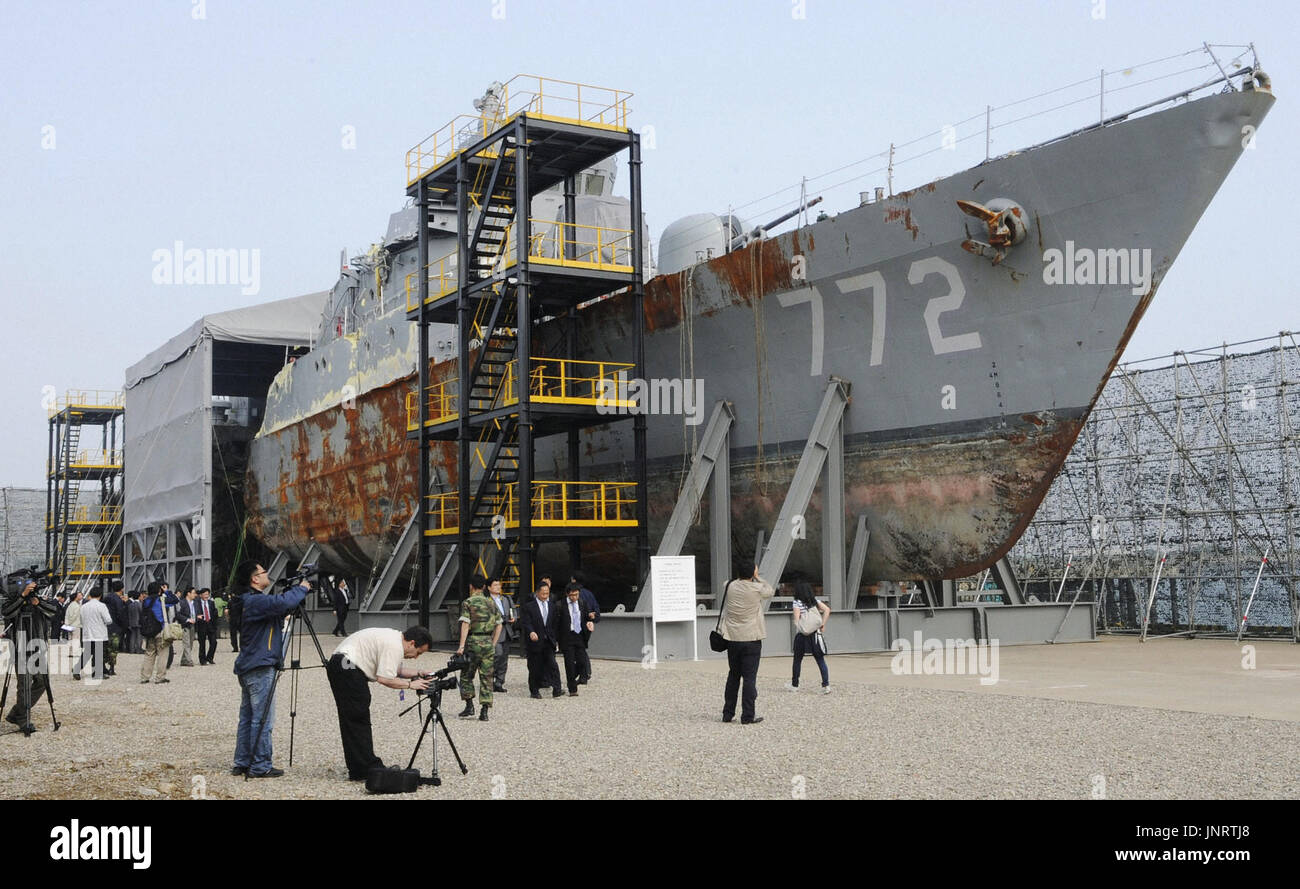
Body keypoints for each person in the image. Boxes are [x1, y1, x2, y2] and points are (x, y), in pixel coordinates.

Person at [231, 561, 310, 779]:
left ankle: (242, 761)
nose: (268, 575)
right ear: (254, 579)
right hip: (260, 665)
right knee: (262, 718)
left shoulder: (249, 601)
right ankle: (260, 765)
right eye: (264, 572)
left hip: (249, 665)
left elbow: (278, 607)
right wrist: (302, 588)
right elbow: (283, 602)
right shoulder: (256, 601)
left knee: (247, 717)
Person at [326, 625, 433, 780]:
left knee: (353, 717)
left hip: (343, 664)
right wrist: (410, 685)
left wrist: (419, 673)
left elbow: (396, 671)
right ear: (411, 643)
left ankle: (359, 767)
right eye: (418, 652)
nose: (415, 657)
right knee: (357, 717)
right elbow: (385, 678)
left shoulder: (394, 638)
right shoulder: (394, 646)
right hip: (347, 667)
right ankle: (364, 768)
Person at [719, 564, 775, 725]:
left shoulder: (729, 585)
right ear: (753, 573)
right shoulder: (757, 588)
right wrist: (757, 576)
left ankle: (727, 713)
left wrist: (745, 574)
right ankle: (747, 716)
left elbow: (728, 582)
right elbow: (769, 590)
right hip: (751, 638)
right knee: (749, 678)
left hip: (733, 638)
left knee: (733, 676)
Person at [3, 580, 57, 732]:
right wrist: (22, 596)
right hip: (20, 650)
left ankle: (16, 712)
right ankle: (23, 720)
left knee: (42, 682)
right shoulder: (12, 602)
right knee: (25, 685)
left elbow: (52, 611)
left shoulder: (37, 600)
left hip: (38, 647)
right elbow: (7, 613)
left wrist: (38, 603)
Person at [456, 574, 501, 721]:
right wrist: (493, 642)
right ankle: (484, 711)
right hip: (487, 642)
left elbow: (465, 624)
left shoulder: (468, 602)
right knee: (487, 677)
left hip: (473, 642)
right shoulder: (491, 603)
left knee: (466, 675)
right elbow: (499, 624)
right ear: (483, 587)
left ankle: (469, 706)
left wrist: (461, 646)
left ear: (471, 586)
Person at [518, 580, 563, 698]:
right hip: (535, 641)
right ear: (537, 593)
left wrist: (556, 639)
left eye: (547, 593)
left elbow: (554, 624)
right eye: (543, 593)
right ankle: (534, 690)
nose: (545, 596)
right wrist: (531, 631)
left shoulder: (552, 606)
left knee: (553, 665)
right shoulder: (529, 607)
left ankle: (557, 688)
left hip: (548, 640)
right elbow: (525, 622)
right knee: (535, 666)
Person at [787, 581, 831, 694]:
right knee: (820, 660)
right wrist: (822, 624)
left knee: (797, 660)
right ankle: (826, 685)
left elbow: (796, 620)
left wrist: (802, 627)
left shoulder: (797, 603)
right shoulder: (814, 601)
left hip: (802, 636)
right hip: (815, 635)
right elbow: (827, 610)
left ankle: (795, 685)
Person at [558, 582, 593, 696]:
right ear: (567, 594)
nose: (574, 597)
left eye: (576, 595)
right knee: (569, 663)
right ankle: (572, 689)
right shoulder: (560, 605)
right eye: (572, 595)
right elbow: (556, 623)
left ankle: (574, 678)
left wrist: (590, 621)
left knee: (582, 662)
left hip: (579, 636)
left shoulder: (582, 603)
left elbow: (587, 617)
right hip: (567, 636)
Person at [138, 581, 178, 684]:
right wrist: (167, 591)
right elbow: (175, 600)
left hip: (149, 630)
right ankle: (160, 677)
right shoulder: (161, 600)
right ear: (159, 590)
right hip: (160, 630)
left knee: (149, 654)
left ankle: (145, 677)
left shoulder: (145, 601)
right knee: (163, 654)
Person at [487, 578, 517, 693]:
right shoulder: (487, 601)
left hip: (507, 630)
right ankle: (490, 680)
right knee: (496, 655)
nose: (498, 587)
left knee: (504, 658)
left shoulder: (505, 599)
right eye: (495, 585)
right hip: (495, 632)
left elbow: (513, 609)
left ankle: (499, 682)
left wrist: (513, 616)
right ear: (489, 587)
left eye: (499, 585)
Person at [75, 589, 112, 682]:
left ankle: (76, 669)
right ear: (100, 595)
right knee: (98, 654)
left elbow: (81, 619)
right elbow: (108, 620)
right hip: (99, 633)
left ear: (90, 595)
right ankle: (96, 673)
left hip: (87, 633)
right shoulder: (101, 606)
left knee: (87, 653)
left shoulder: (84, 606)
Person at [571, 572, 601, 683]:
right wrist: (593, 617)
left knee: (578, 650)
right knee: (581, 649)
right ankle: (584, 673)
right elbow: (596, 610)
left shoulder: (575, 594)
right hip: (588, 625)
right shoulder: (589, 594)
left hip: (578, 626)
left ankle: (583, 672)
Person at [195, 588, 218, 665]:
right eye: (205, 594)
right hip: (202, 624)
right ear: (201, 595)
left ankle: (210, 657)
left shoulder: (211, 603)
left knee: (214, 642)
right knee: (202, 643)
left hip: (210, 624)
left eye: (208, 594)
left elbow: (214, 612)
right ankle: (202, 660)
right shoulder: (196, 603)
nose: (206, 596)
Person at [176, 586, 198, 667]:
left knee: (191, 643)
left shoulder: (194, 603)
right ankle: (189, 660)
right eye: (193, 593)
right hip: (185, 625)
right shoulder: (182, 602)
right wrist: (187, 619)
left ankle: (184, 660)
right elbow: (178, 614)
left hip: (193, 624)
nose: (195, 595)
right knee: (186, 643)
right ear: (188, 593)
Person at [227, 588, 242, 652]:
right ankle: (242, 647)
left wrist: (227, 618)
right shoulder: (242, 600)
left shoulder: (230, 601)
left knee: (233, 634)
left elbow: (227, 611)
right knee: (242, 634)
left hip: (233, 619)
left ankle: (235, 647)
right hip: (241, 619)